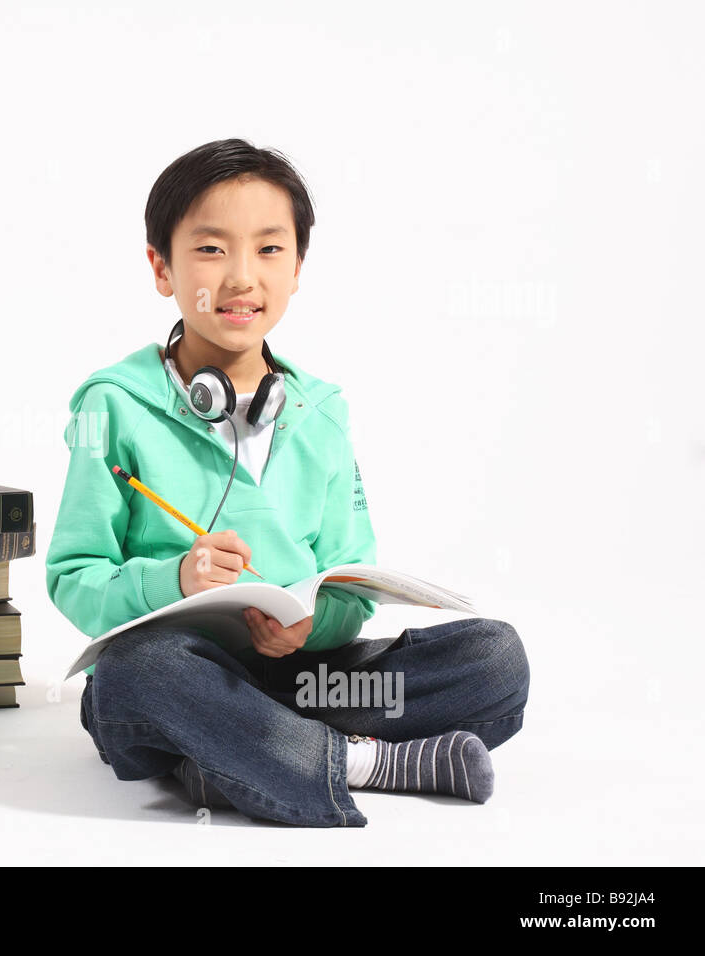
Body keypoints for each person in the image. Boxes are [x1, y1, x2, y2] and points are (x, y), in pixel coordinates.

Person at [44, 139, 529, 827]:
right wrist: (173, 581)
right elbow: (73, 574)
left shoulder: (323, 413)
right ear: (162, 266)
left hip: (301, 681)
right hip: (179, 676)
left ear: (298, 267)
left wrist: (309, 628)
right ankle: (365, 762)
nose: (243, 277)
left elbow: (348, 584)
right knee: (137, 674)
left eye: (270, 250)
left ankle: (230, 761)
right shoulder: (111, 406)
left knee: (493, 660)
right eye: (212, 249)